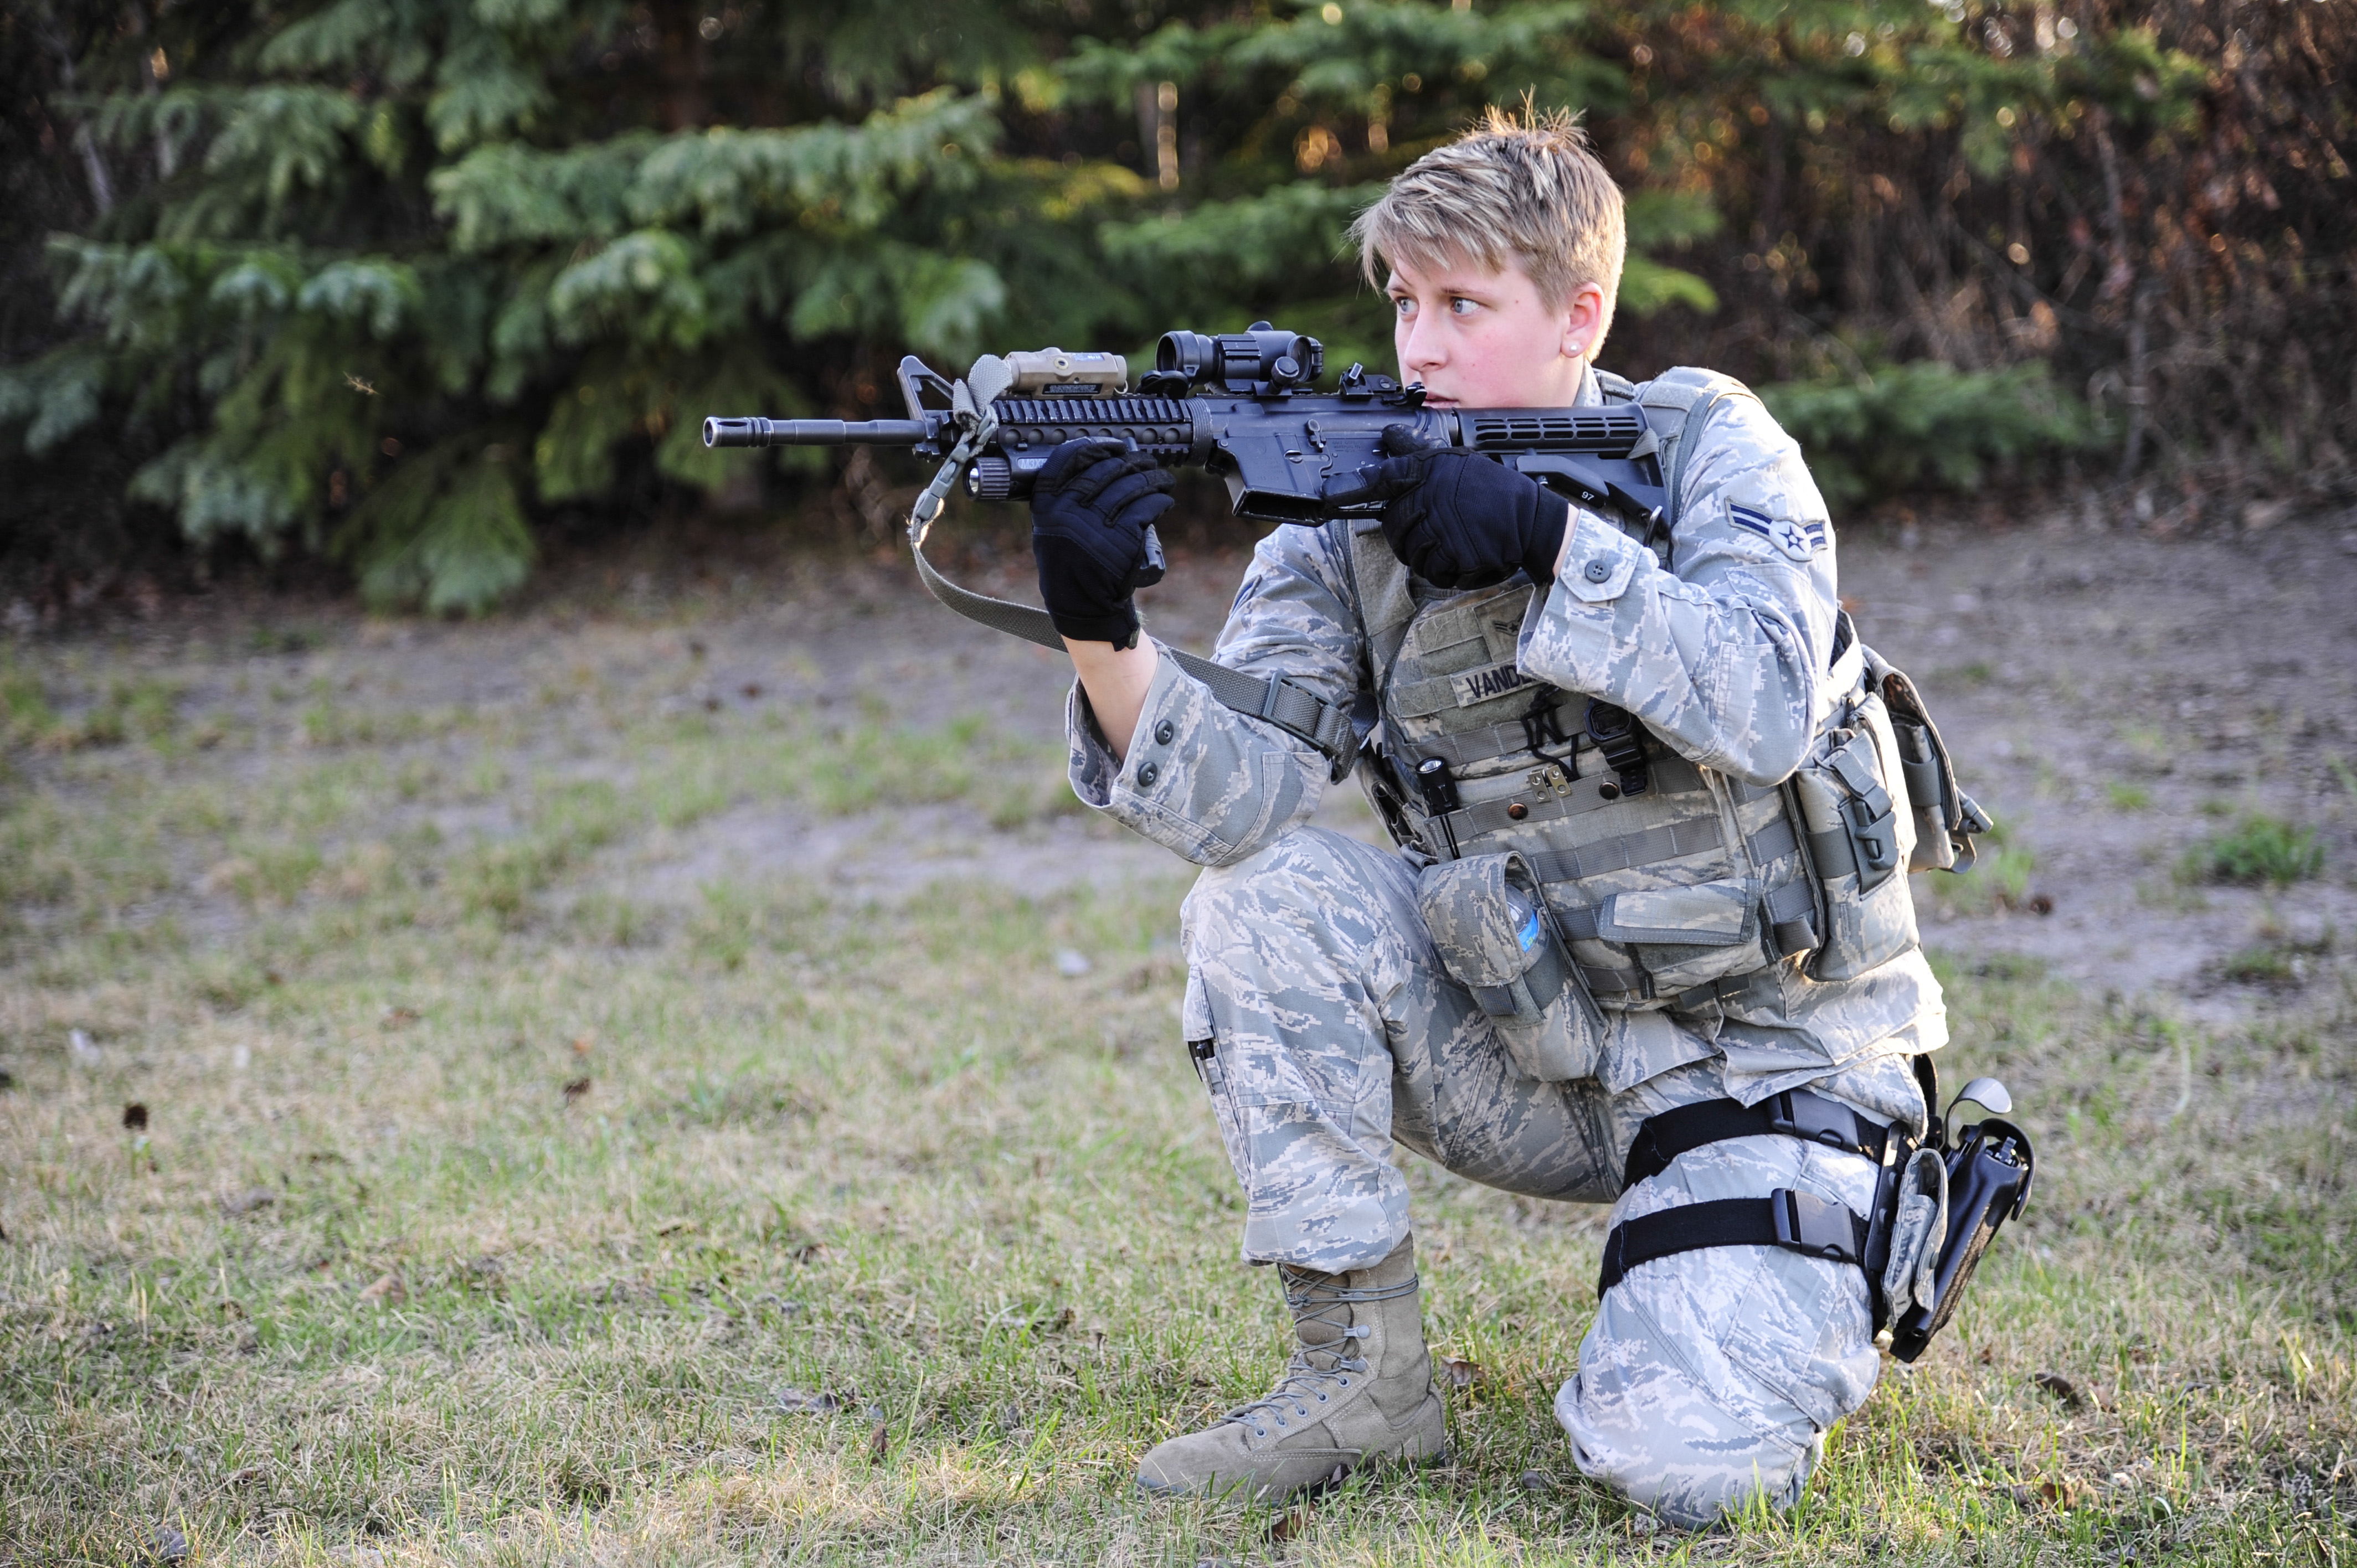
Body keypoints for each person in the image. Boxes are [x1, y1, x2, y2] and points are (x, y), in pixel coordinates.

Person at [1022, 107, 1947, 1528]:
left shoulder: (1699, 440)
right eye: (1403, 303)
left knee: (1677, 1469)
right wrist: (1100, 630)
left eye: (1465, 304)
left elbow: (1766, 694)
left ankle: (1827, 1233)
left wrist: (1544, 544)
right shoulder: (1345, 523)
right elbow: (1238, 803)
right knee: (1261, 899)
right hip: (1547, 1053)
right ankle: (1360, 1384)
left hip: (1774, 1057)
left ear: (1581, 315)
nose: (1421, 347)